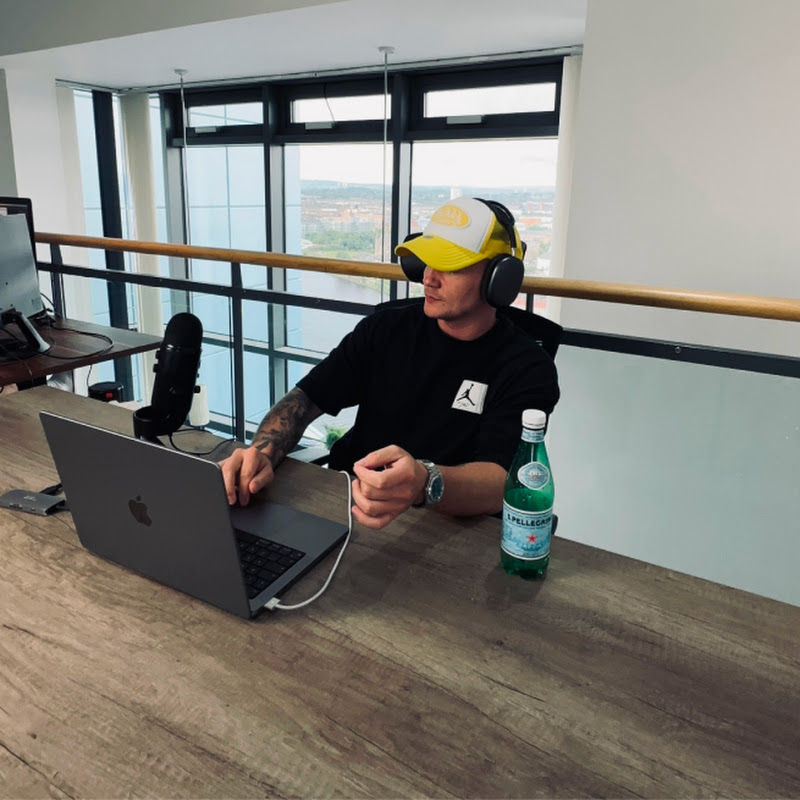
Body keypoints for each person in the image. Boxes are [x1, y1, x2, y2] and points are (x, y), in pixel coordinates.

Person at [220, 196, 559, 530]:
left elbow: (500, 481)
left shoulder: (527, 367)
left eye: (450, 266)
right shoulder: (384, 330)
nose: (428, 278)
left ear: (499, 278)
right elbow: (306, 399)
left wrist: (424, 482)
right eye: (427, 262)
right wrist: (262, 453)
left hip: (447, 530)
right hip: (352, 505)